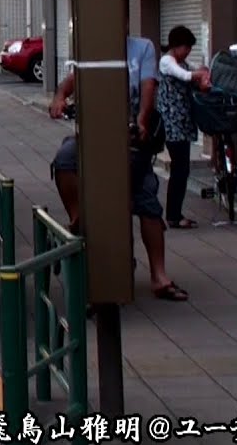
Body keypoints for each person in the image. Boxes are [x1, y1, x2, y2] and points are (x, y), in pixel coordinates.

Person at [48, 31, 189, 302]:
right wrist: (59, 98)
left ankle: (159, 276)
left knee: (146, 198)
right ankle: (78, 218)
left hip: (131, 139)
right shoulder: (92, 47)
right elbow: (72, 80)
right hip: (94, 138)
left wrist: (142, 119)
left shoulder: (142, 48)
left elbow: (148, 86)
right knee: (65, 159)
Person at [158, 26, 211, 230]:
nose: (188, 51)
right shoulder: (167, 61)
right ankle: (173, 215)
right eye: (186, 47)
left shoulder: (182, 62)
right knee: (180, 169)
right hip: (172, 122)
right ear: (176, 46)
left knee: (181, 169)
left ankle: (175, 214)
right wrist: (200, 74)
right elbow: (185, 76)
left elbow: (192, 77)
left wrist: (203, 78)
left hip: (182, 122)